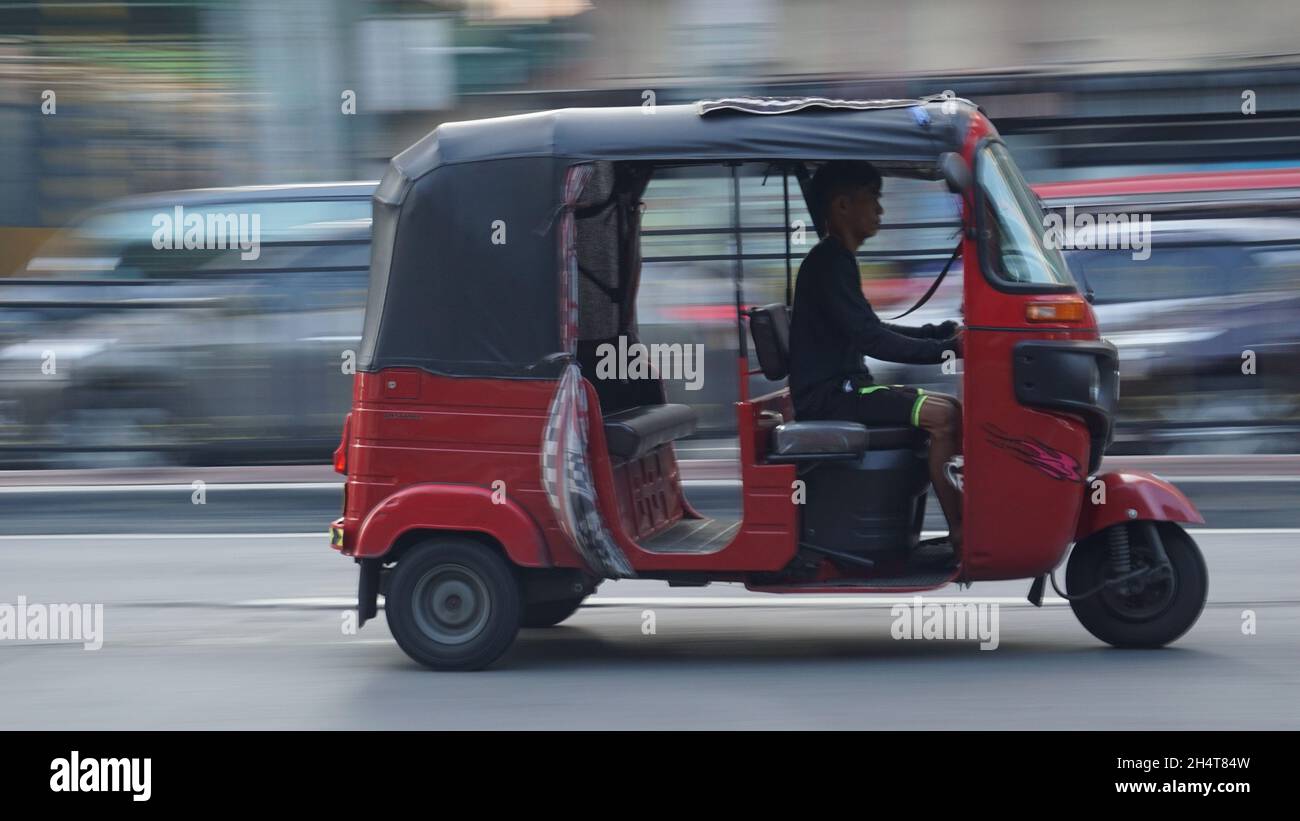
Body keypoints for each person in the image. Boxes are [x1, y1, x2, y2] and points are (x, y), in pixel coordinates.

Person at [788, 160, 965, 553]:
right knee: (945, 416)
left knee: (951, 407)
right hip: (833, 397)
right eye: (873, 198)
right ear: (843, 206)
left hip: (846, 390)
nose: (881, 210)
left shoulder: (835, 261)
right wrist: (946, 349)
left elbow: (874, 328)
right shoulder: (829, 264)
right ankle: (961, 531)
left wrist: (941, 335)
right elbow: (873, 339)